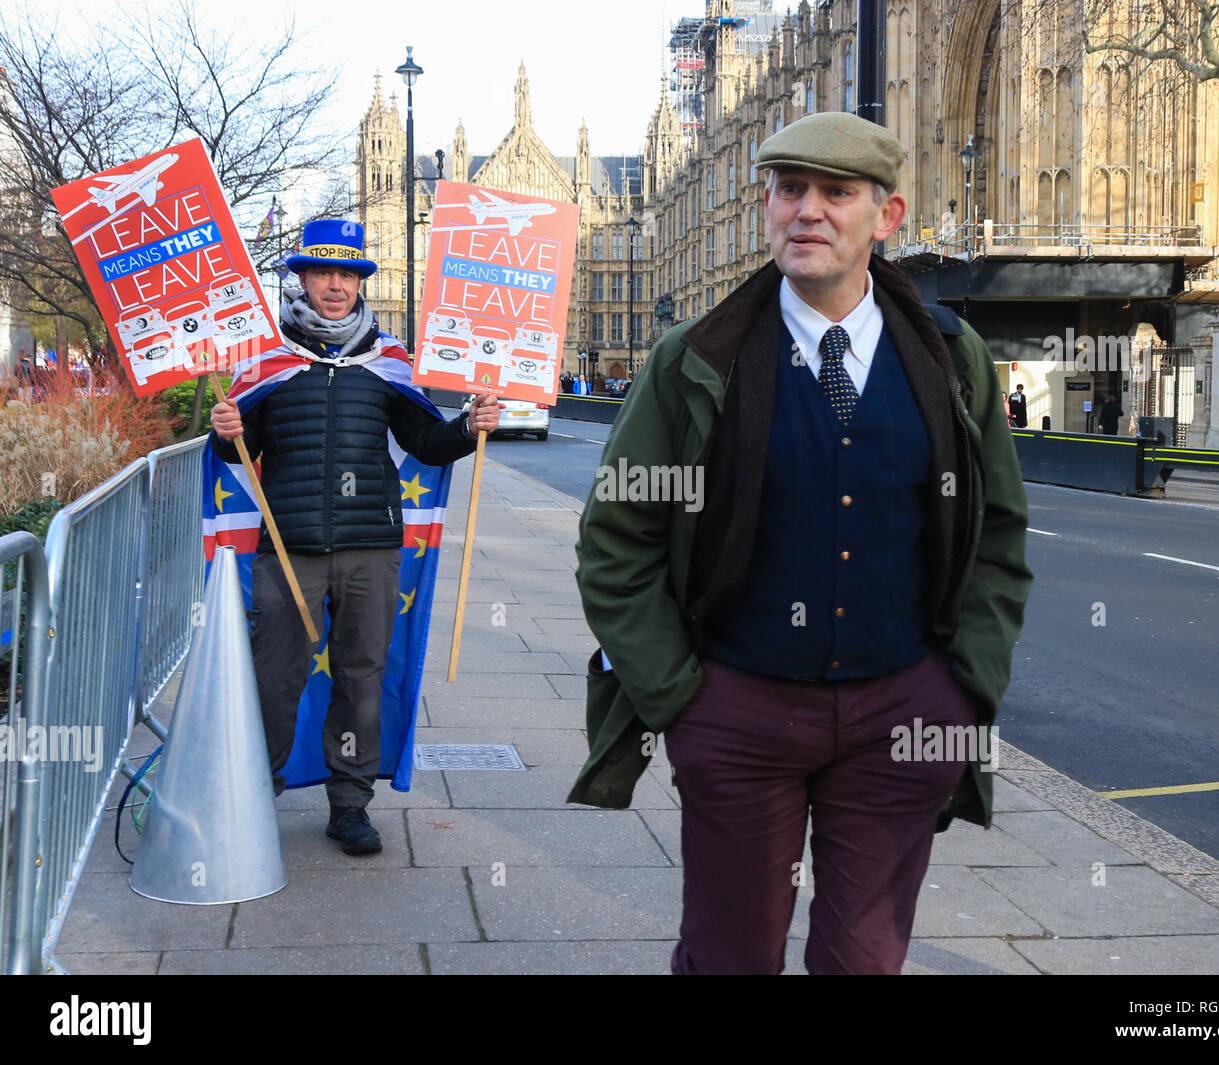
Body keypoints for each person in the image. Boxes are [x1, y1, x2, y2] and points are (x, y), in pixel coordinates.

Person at [569, 111, 1032, 974]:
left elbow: (998, 529)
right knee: (729, 953)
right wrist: (678, 695)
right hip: (739, 713)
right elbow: (618, 538)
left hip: (904, 716)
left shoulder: (952, 359)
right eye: (789, 190)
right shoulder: (693, 361)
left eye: (836, 192)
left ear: (885, 218)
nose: (807, 211)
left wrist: (965, 684)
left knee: (865, 957)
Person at [209, 218, 499, 856]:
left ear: (360, 282)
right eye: (322, 273)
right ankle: (254, 795)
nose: (335, 286)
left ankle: (349, 804)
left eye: (347, 274)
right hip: (287, 550)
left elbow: (425, 442)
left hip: (371, 547)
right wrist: (226, 426)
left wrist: (467, 425)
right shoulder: (265, 361)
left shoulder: (389, 360)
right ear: (302, 280)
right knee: (273, 677)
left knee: (362, 677)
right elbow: (238, 451)